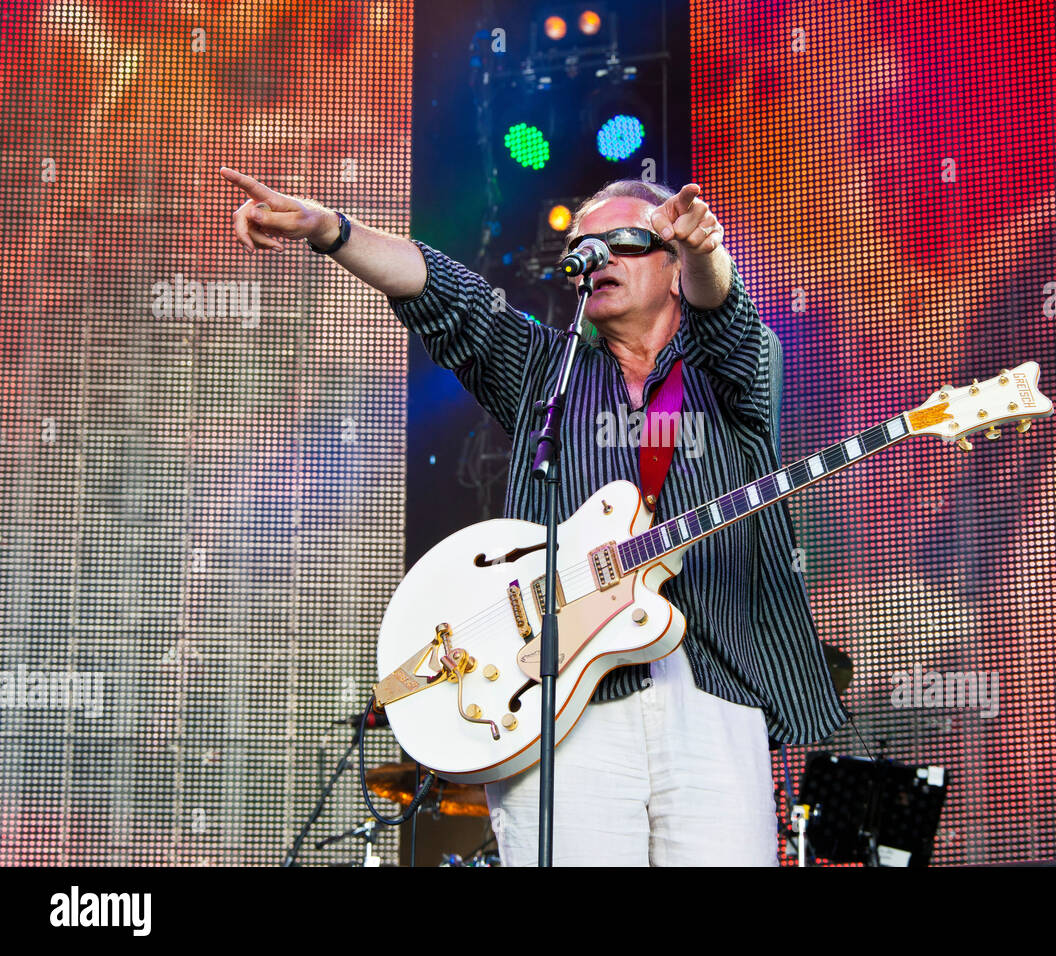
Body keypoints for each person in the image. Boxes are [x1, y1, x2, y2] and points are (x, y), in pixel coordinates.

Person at [220, 168, 847, 865]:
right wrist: (329, 230)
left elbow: (726, 318)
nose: (597, 258)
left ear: (674, 268)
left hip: (713, 689)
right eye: (583, 248)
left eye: (626, 242)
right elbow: (443, 292)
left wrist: (705, 250)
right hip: (559, 700)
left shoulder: (737, 375)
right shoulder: (545, 371)